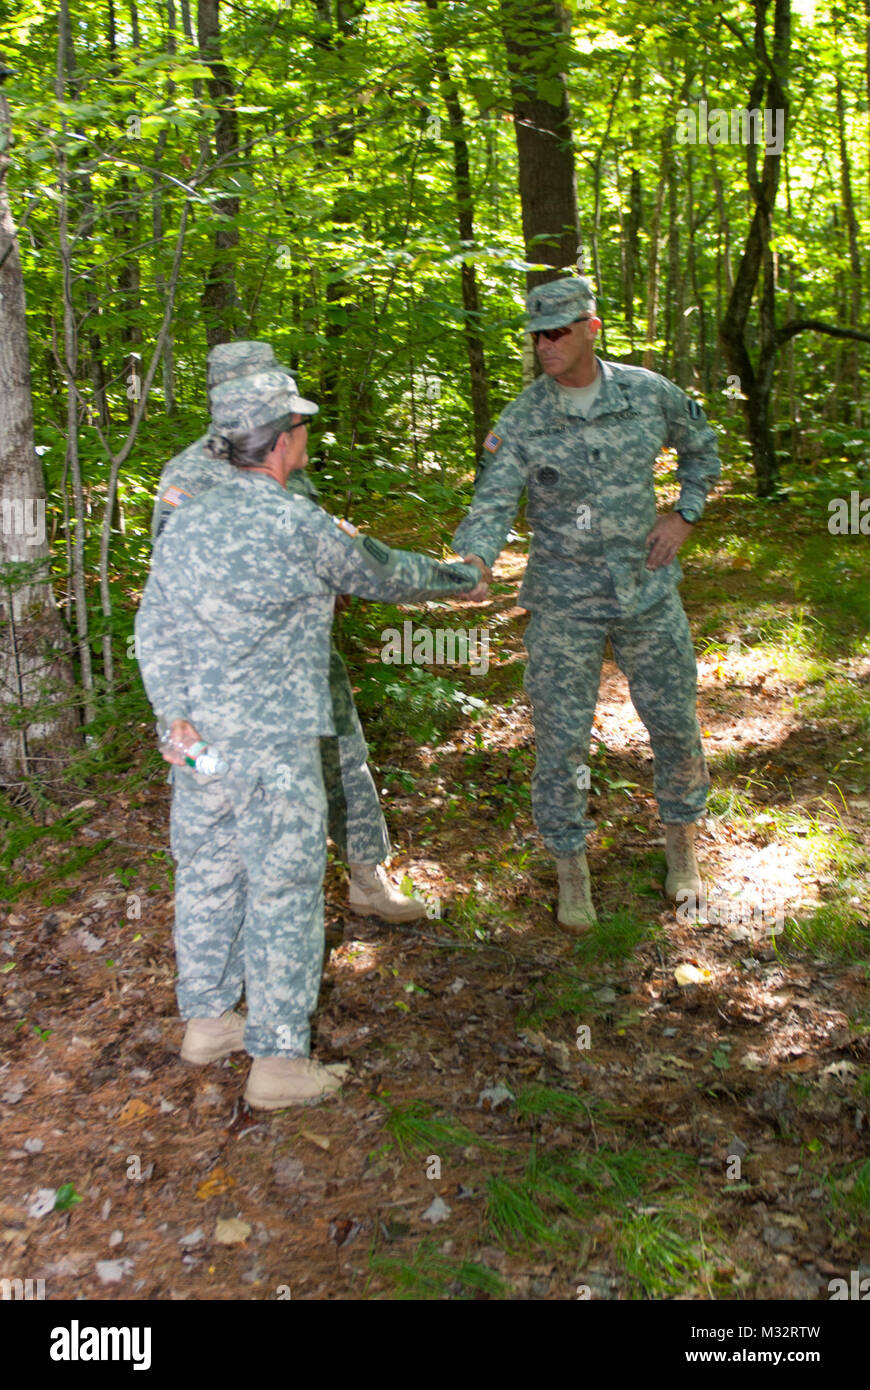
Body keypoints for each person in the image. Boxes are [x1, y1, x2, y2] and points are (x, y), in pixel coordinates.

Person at [135, 370, 482, 1107]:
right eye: (300, 428)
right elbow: (385, 574)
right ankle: (278, 1063)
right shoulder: (295, 523)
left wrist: (174, 715)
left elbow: (153, 628)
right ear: (282, 441)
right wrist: (464, 580)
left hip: (197, 745)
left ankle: (206, 1022)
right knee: (284, 886)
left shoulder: (189, 516)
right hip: (275, 744)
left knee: (207, 873)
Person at [453, 276, 721, 931]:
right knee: (562, 747)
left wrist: (684, 514)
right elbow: (491, 500)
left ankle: (682, 855)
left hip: (646, 594)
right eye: (536, 334)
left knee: (676, 727)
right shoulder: (524, 418)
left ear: (590, 330)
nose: (544, 345)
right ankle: (572, 874)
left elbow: (701, 446)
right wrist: (473, 559)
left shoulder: (646, 394)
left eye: (557, 332)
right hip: (564, 605)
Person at [151, 340, 426, 927]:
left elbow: (311, 537)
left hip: (305, 651)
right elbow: (170, 585)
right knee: (242, 794)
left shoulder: (284, 452)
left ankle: (366, 875)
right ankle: (259, 914)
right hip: (230, 675)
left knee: (346, 753)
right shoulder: (187, 476)